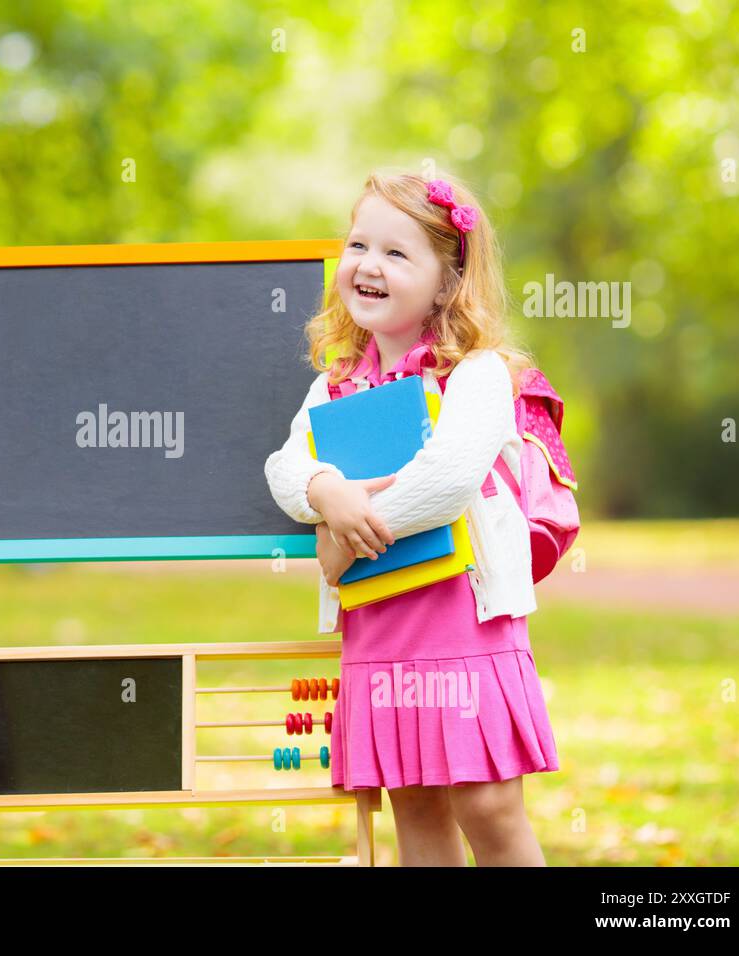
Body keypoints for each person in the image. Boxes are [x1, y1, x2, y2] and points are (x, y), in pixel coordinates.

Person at [265, 172, 559, 866]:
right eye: (359, 245)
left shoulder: (476, 374)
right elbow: (283, 466)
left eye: (396, 253)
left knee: (487, 804)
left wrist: (346, 541)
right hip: (382, 626)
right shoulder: (336, 386)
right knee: (416, 804)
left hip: (465, 622)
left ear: (448, 281)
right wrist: (325, 490)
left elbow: (446, 482)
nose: (368, 264)